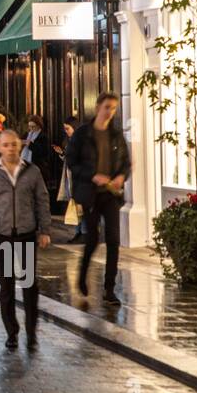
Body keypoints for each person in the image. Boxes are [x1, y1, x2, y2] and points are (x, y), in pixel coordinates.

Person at [0, 129, 52, 350]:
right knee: (6, 287)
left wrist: (45, 230)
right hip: (1, 235)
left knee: (29, 286)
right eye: (6, 145)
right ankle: (12, 332)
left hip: (26, 234)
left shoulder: (32, 172)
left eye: (14, 145)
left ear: (20, 146)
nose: (10, 149)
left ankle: (32, 333)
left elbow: (42, 201)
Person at [66, 92, 130, 305]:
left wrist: (122, 176)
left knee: (113, 240)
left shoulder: (115, 135)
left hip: (111, 194)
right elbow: (71, 162)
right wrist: (92, 176)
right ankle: (82, 276)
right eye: (107, 107)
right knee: (92, 238)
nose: (110, 112)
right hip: (90, 193)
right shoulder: (83, 134)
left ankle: (109, 289)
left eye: (113, 108)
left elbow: (125, 162)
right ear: (98, 107)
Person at [55, 117, 83, 243]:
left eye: (68, 128)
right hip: (71, 177)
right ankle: (78, 232)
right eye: (65, 128)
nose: (66, 131)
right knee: (75, 205)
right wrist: (62, 154)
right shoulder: (70, 141)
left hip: (79, 178)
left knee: (81, 206)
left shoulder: (80, 141)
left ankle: (84, 233)